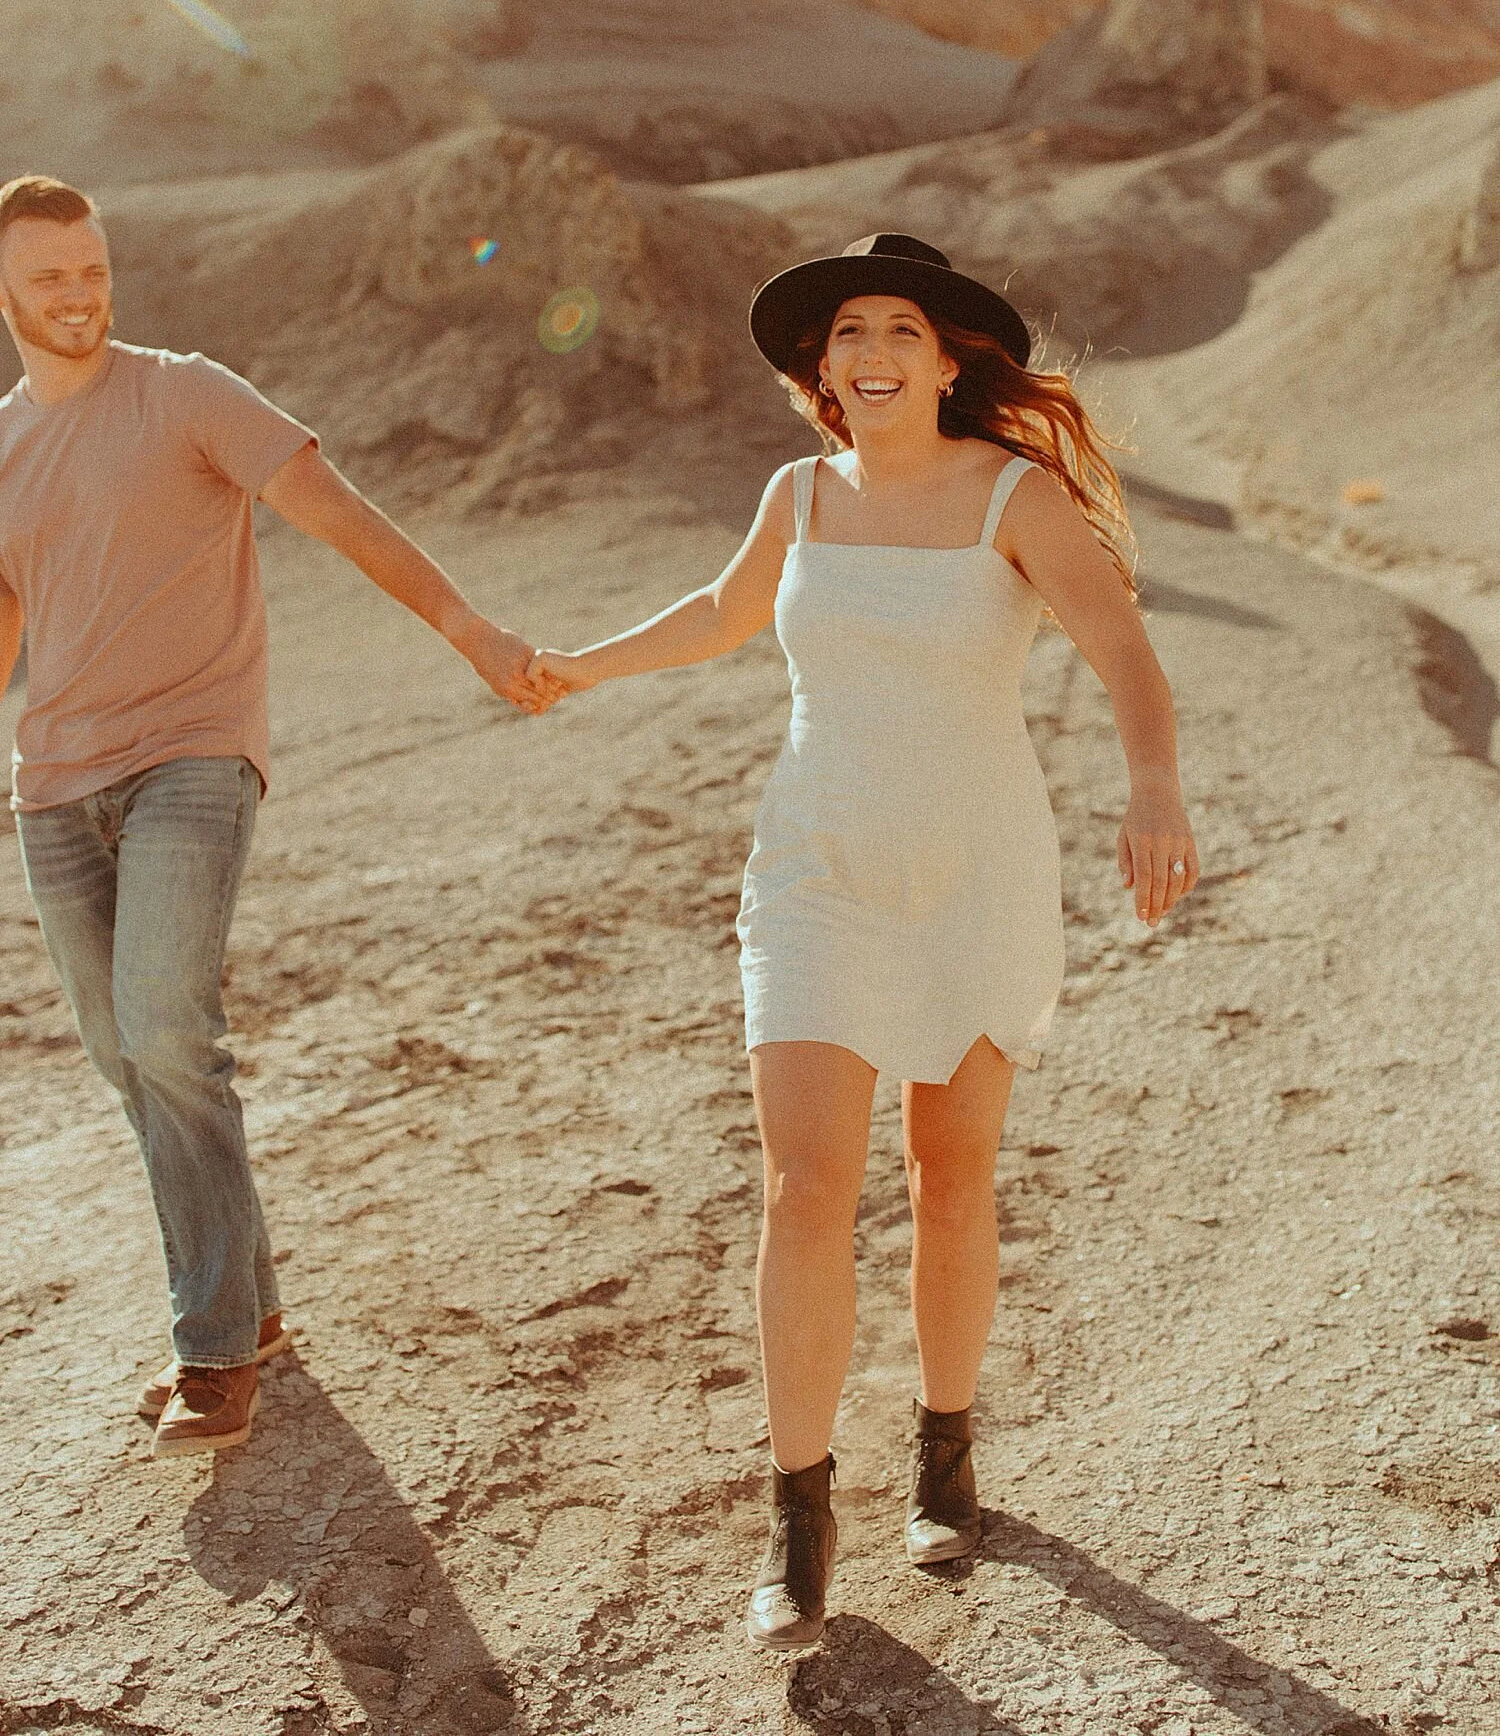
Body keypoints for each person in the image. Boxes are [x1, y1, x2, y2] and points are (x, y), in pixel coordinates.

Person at [527, 230, 1199, 1649]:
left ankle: (946, 1447)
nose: (873, 353)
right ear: (819, 371)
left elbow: (1125, 653)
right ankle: (799, 1513)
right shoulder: (797, 497)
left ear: (951, 359)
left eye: (900, 329)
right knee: (802, 1185)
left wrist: (1152, 789)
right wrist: (578, 663)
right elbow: (721, 614)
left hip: (975, 870)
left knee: (948, 1179)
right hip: (814, 865)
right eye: (848, 335)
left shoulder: (1017, 496)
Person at [0, 174, 544, 1456]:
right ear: (6, 295)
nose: (79, 295)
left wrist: (467, 625)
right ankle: (253, 1305)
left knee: (170, 1030)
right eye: (50, 280)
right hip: (53, 786)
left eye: (91, 269)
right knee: (129, 1058)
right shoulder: (2, 441)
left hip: (195, 751)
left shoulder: (187, 390)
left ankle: (211, 1350)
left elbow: (338, 514)